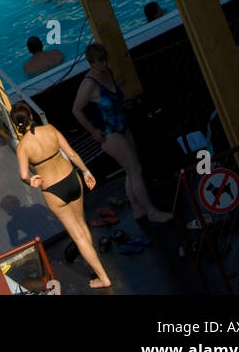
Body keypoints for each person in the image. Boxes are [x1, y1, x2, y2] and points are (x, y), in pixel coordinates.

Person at [10, 102, 110, 289]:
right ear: (31, 116)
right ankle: (94, 267)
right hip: (71, 178)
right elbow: (71, 154)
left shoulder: (22, 147)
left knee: (77, 235)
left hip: (53, 190)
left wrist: (30, 181)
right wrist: (86, 171)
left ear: (16, 124)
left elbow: (24, 175)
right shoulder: (49, 129)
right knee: (82, 224)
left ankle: (103, 277)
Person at [72, 43, 172, 222]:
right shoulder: (88, 84)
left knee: (129, 170)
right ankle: (151, 212)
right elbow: (76, 110)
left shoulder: (107, 72)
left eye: (105, 60)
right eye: (100, 61)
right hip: (109, 133)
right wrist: (93, 131)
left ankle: (137, 209)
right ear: (91, 63)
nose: (104, 64)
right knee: (136, 170)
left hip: (122, 126)